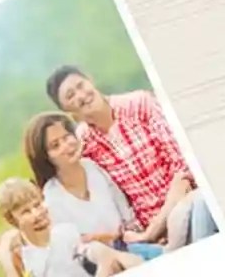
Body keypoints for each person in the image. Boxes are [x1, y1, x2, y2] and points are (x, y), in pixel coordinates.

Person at [45, 65, 219, 252]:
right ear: (67, 110)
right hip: (145, 235)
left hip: (185, 204)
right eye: (70, 96)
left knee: (200, 206)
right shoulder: (83, 144)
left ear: (90, 80)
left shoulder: (139, 104)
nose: (80, 95)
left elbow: (183, 172)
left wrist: (154, 229)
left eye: (80, 85)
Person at [23, 111, 163, 262]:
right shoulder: (52, 198)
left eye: (66, 136)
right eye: (55, 145)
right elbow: (72, 246)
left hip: (131, 245)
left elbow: (124, 211)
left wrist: (138, 236)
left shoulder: (93, 167)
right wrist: (107, 238)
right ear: (45, 158)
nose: (66, 146)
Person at [0, 177, 142, 277]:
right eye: (26, 211)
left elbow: (90, 251)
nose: (36, 213)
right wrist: (5, 256)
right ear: (12, 220)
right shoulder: (23, 255)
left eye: (37, 205)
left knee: (110, 254)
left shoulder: (65, 233)